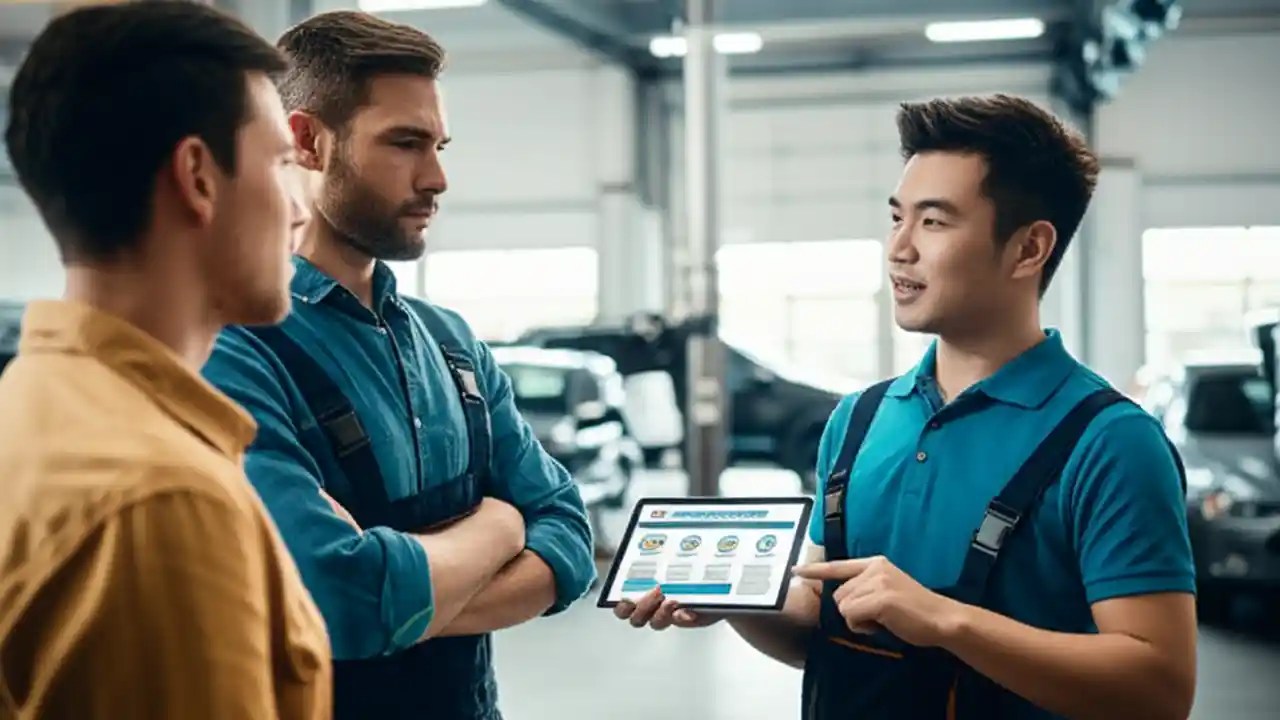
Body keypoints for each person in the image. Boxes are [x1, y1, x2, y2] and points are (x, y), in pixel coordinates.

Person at [615, 94, 1198, 720]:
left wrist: (948, 621)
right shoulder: (858, 420)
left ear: (1029, 250)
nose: (899, 248)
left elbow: (1158, 689)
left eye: (935, 222)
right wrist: (736, 601)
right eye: (897, 217)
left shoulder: (1111, 442)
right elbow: (823, 627)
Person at [200, 10, 596, 719]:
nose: (438, 177)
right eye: (406, 144)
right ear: (307, 141)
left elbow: (566, 527)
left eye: (440, 144)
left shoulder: (451, 343)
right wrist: (501, 527)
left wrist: (406, 603)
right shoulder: (232, 349)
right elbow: (338, 599)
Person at [0, 2, 328, 719]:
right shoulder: (165, 499)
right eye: (279, 163)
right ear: (198, 176)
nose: (301, 211)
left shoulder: (31, 403)